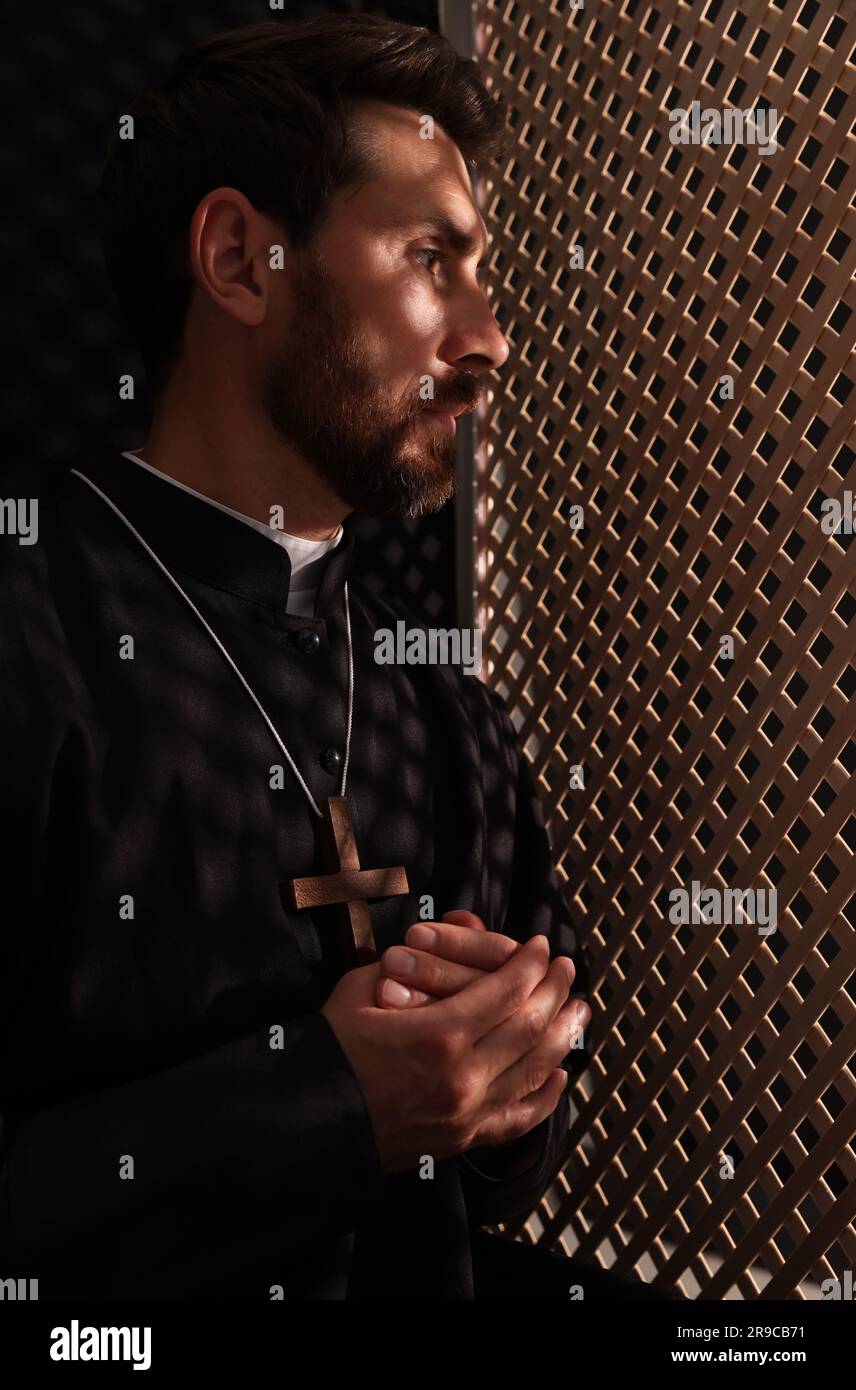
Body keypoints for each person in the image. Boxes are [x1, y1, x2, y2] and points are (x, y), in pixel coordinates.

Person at [0, 14, 680, 1301]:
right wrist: (325, 1104)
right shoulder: (30, 644)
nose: (490, 340)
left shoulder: (449, 713)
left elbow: (509, 1172)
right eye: (432, 257)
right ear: (241, 261)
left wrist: (502, 1083)